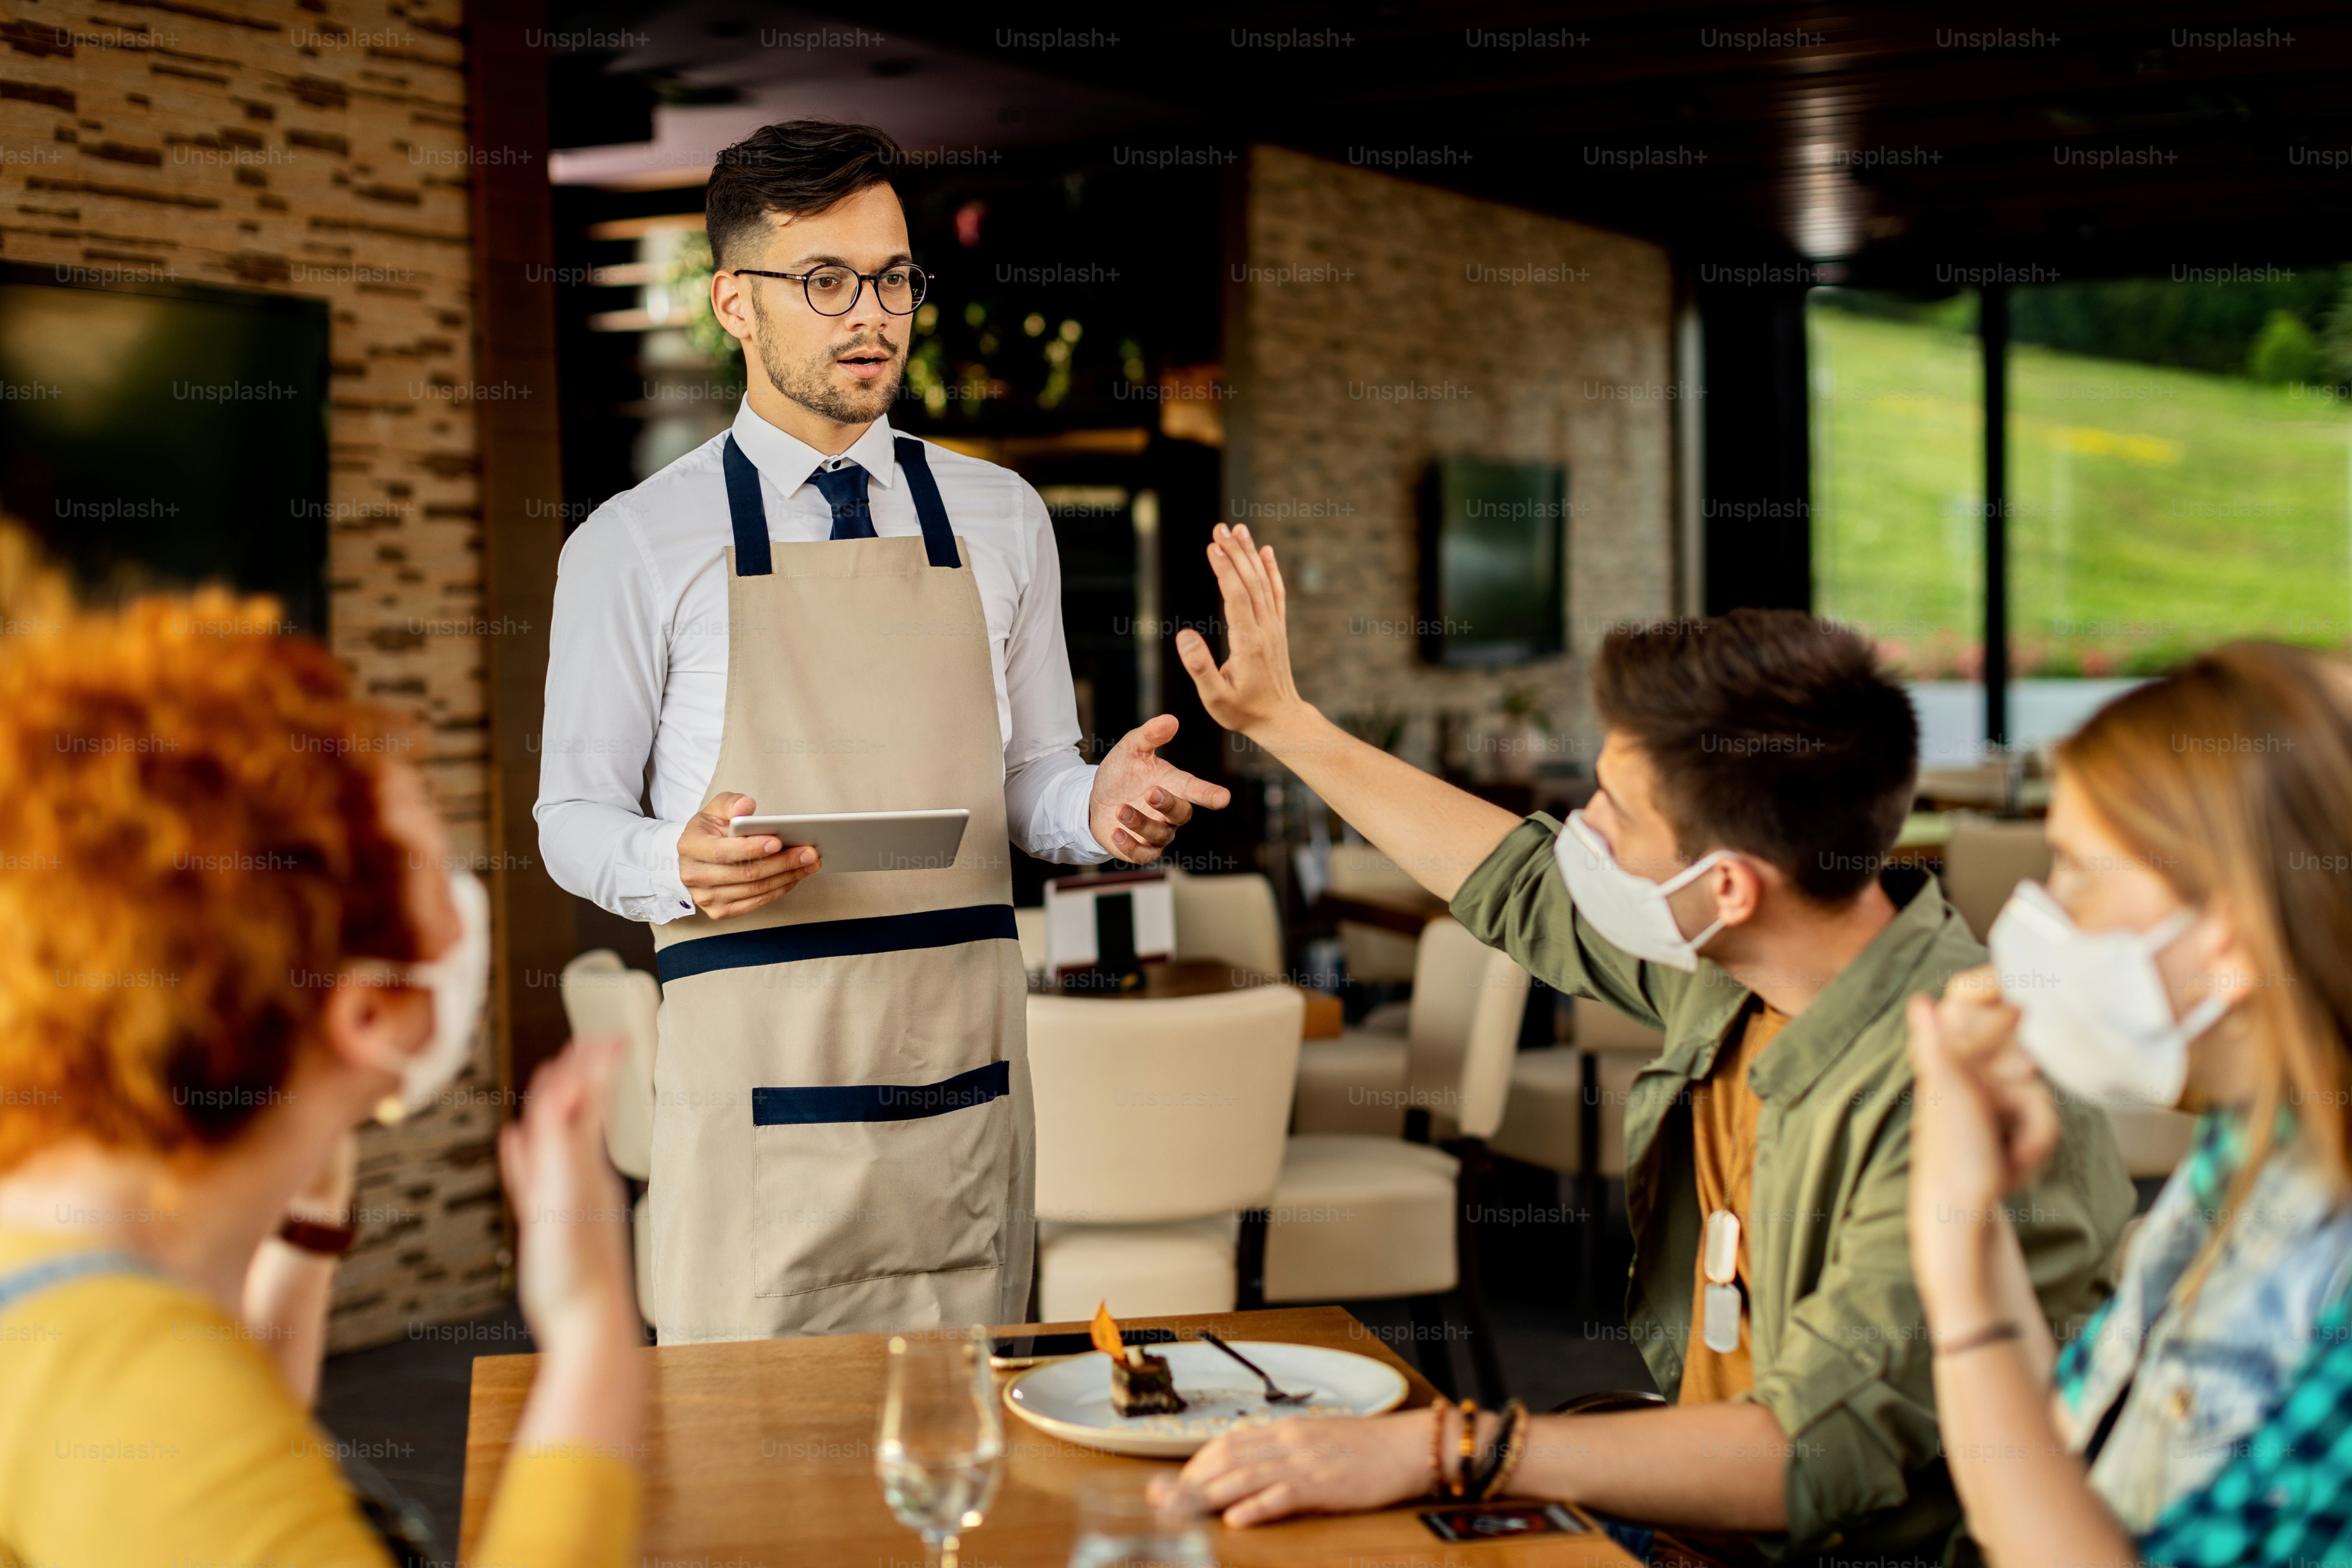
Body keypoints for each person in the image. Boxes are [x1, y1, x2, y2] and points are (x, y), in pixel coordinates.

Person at [1170, 524, 2132, 1563]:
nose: (1584, 831)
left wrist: (1447, 1446)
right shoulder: (1747, 959)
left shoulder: (1960, 1089)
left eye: (1616, 814)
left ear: (1729, 885)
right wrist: (1288, 725)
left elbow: (1809, 1456)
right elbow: (1520, 884)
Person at [536, 119, 1227, 1344]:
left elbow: (1032, 777)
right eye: (826, 281)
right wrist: (673, 864)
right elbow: (571, 819)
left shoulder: (1004, 516)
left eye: (894, 277)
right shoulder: (633, 545)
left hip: (962, 1077)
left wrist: (1097, 808)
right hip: (755, 1088)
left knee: (965, 1433)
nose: (873, 315)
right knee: (748, 1449)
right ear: (735, 305)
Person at [0, 589, 645, 1565]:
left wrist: (303, 1222)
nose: (466, 907)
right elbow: (181, 1435)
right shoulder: (116, 1381)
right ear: (368, 1013)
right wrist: (593, 1327)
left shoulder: (78, 1272)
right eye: (439, 869)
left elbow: (238, 1445)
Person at [1907, 643, 2352, 1568]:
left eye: (2078, 869)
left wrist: (1955, 1281)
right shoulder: (2252, 1142)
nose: (2039, 911)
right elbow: (2062, 1473)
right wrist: (1977, 1222)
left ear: (2232, 936)